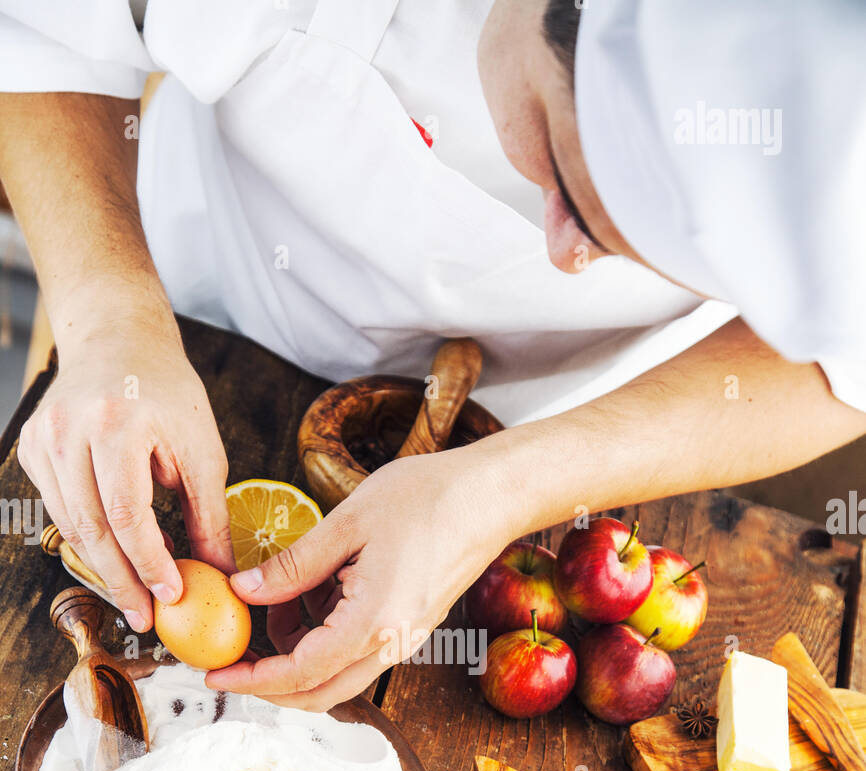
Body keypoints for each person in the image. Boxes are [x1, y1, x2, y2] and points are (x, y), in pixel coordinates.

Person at [0, 0, 863, 710]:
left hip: (593, 417)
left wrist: (501, 487)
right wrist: (108, 310)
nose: (564, 261)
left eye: (653, 250)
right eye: (565, 169)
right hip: (205, 310)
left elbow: (848, 365)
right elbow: (47, 32)